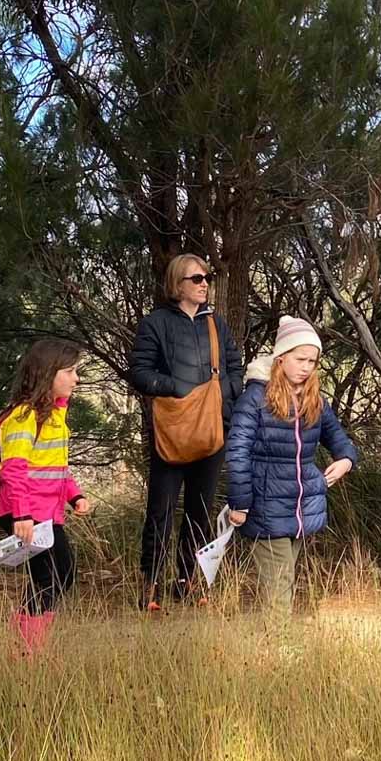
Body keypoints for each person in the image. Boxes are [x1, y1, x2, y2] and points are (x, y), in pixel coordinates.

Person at [127, 253, 245, 612]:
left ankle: (189, 581)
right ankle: (151, 584)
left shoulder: (216, 325)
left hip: (211, 431)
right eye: (196, 278)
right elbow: (139, 372)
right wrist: (175, 388)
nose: (205, 283)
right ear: (178, 284)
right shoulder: (156, 323)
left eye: (207, 277)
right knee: (160, 511)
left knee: (200, 511)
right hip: (173, 432)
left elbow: (236, 369)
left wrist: (223, 395)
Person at [226, 317, 358, 618]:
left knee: (284, 577)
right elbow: (237, 452)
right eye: (300, 359)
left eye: (312, 361)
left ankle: (275, 643)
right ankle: (278, 648)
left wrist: (346, 460)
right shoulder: (255, 399)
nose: (306, 367)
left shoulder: (315, 400)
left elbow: (339, 439)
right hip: (264, 505)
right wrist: (241, 503)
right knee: (279, 579)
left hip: (301, 506)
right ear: (281, 357)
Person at [0, 339, 93, 656]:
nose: (76, 379)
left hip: (45, 513)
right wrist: (22, 515)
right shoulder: (22, 418)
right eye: (71, 371)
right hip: (27, 513)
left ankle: (30, 646)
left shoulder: (56, 417)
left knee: (59, 574)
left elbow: (56, 468)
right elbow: (14, 470)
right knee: (51, 575)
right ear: (49, 373)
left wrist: (74, 496)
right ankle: (26, 651)